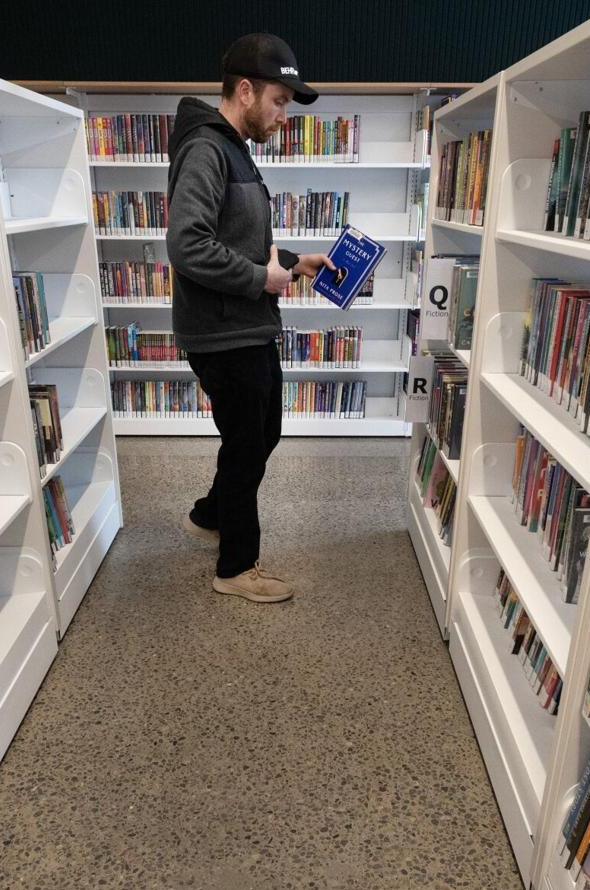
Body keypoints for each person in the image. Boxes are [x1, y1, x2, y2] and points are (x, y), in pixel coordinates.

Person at [166, 33, 334, 603]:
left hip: (244, 323)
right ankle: (236, 568)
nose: (284, 115)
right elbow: (187, 245)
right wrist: (264, 278)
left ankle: (212, 513)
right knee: (246, 442)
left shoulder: (234, 147)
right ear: (245, 90)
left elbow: (239, 243)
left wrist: (291, 262)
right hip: (223, 331)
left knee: (261, 432)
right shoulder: (207, 149)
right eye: (280, 101)